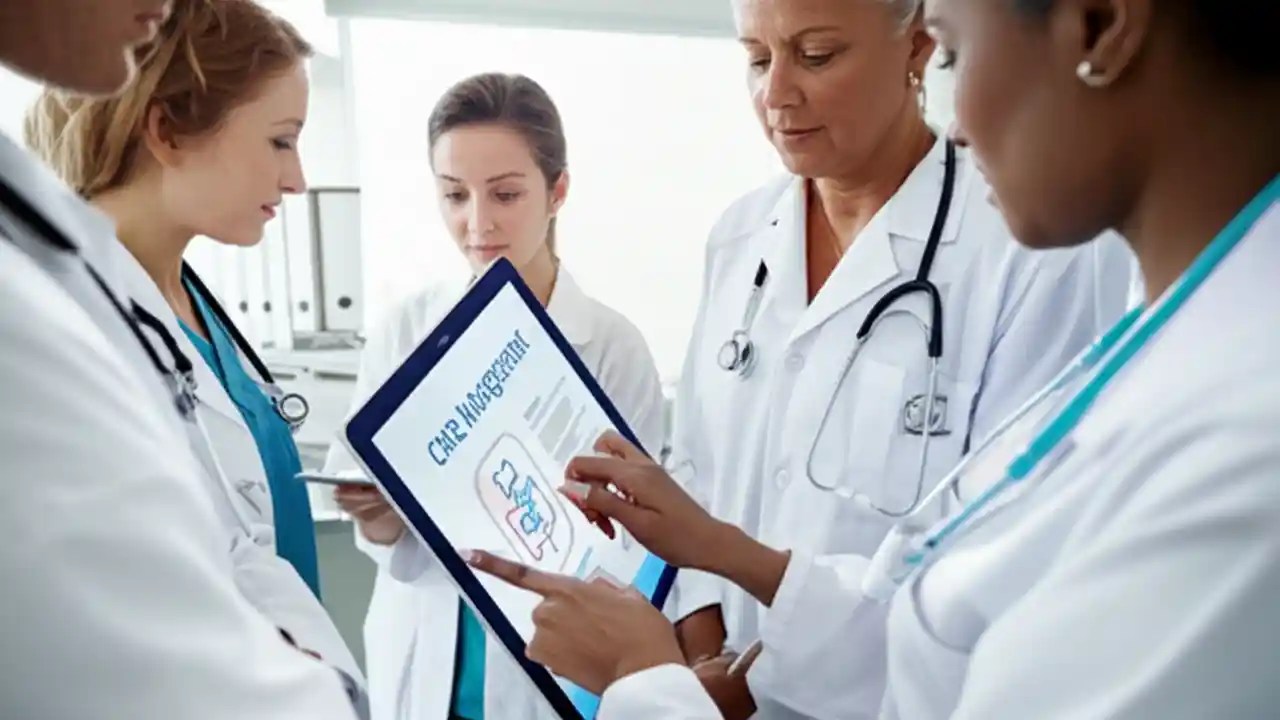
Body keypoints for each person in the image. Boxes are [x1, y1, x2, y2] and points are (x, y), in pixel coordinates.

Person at [470, 0, 1280, 717]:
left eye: (957, 46)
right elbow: (920, 598)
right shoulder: (1175, 348)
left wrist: (646, 683)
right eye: (756, 59)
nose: (777, 94)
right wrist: (698, 617)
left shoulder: (1230, 431)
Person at [653, 0, 1132, 715]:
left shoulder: (1027, 252)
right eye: (756, 58)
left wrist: (750, 687)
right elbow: (690, 471)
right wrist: (697, 665)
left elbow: (1002, 566)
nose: (776, 94)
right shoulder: (739, 236)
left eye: (816, 55)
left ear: (917, 45)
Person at [0, 0, 364, 716]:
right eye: (280, 142)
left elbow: (238, 539)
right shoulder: (58, 307)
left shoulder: (177, 298)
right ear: (167, 131)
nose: (297, 181)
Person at [322, 73, 666, 720]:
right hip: (427, 662)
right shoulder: (404, 331)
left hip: (547, 677)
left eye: (506, 194)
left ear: (557, 191)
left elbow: (632, 545)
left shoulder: (614, 349)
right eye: (454, 195)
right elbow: (382, 523)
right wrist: (375, 513)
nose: (476, 223)